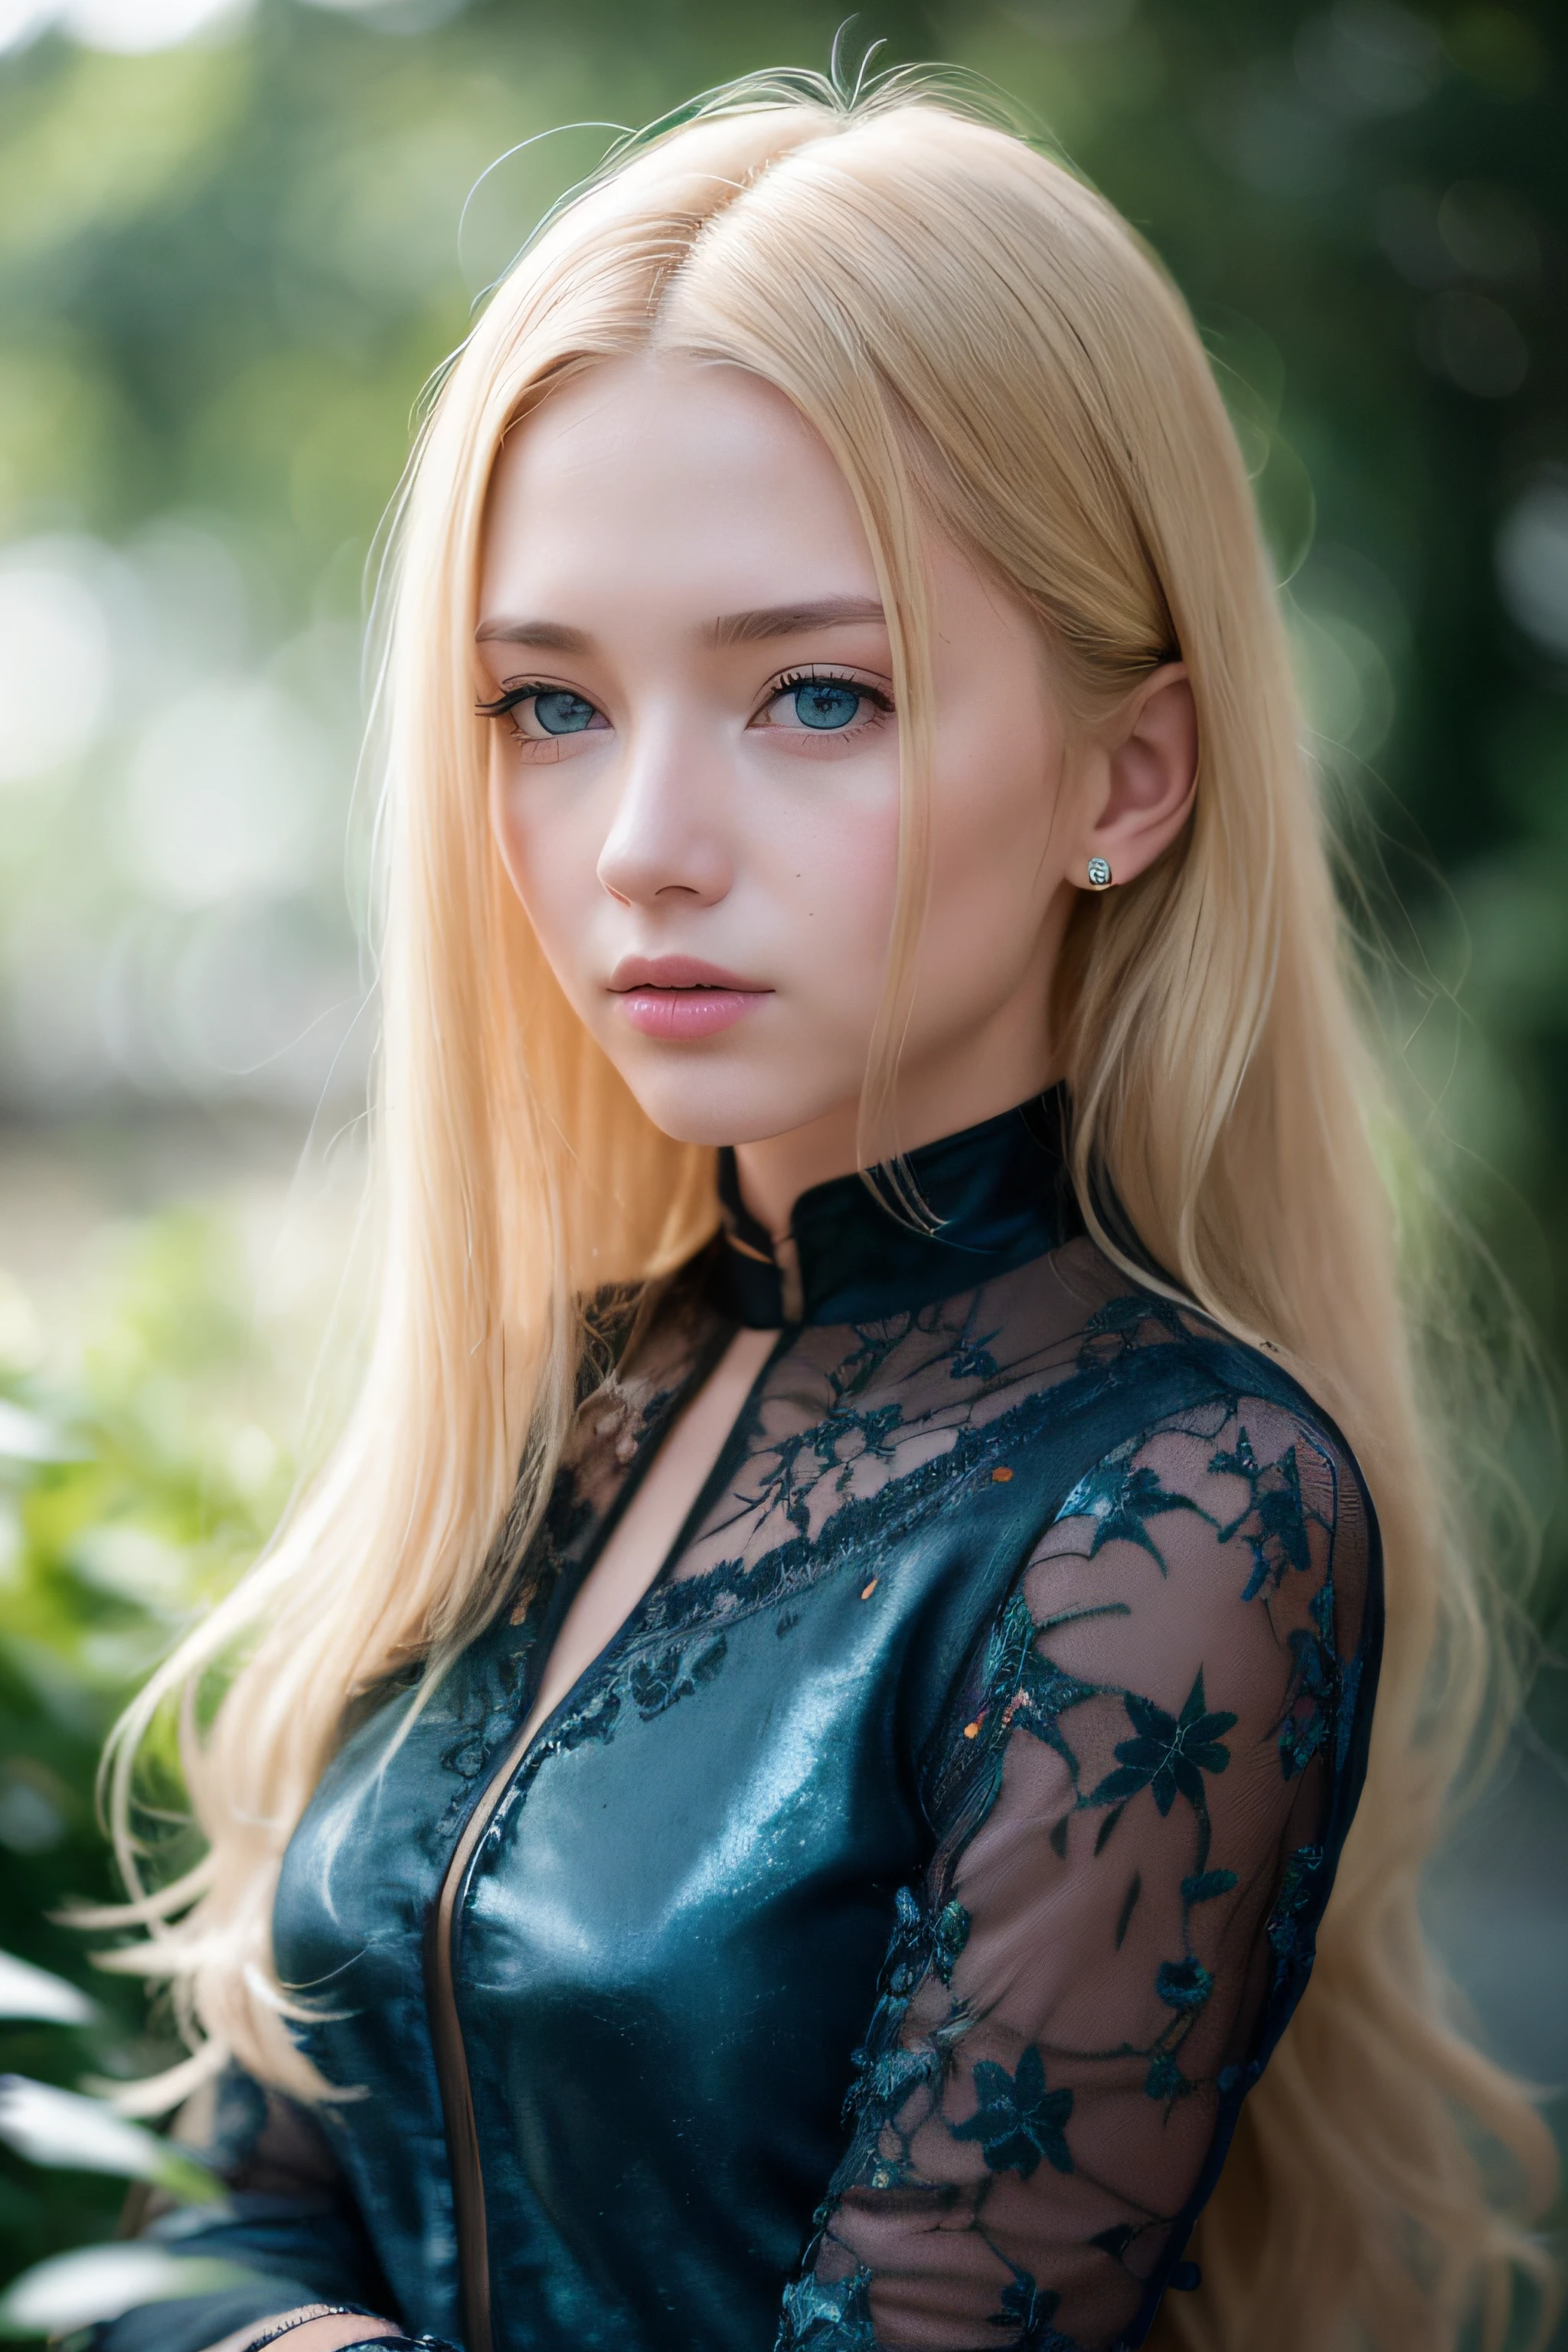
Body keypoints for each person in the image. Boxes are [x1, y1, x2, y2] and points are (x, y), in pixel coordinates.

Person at [87, 67, 1553, 2352]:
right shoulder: (561, 1398)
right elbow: (222, 2220)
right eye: (548, 708)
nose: (646, 842)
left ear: (1126, 772)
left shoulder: (1175, 1513)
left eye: (815, 693)